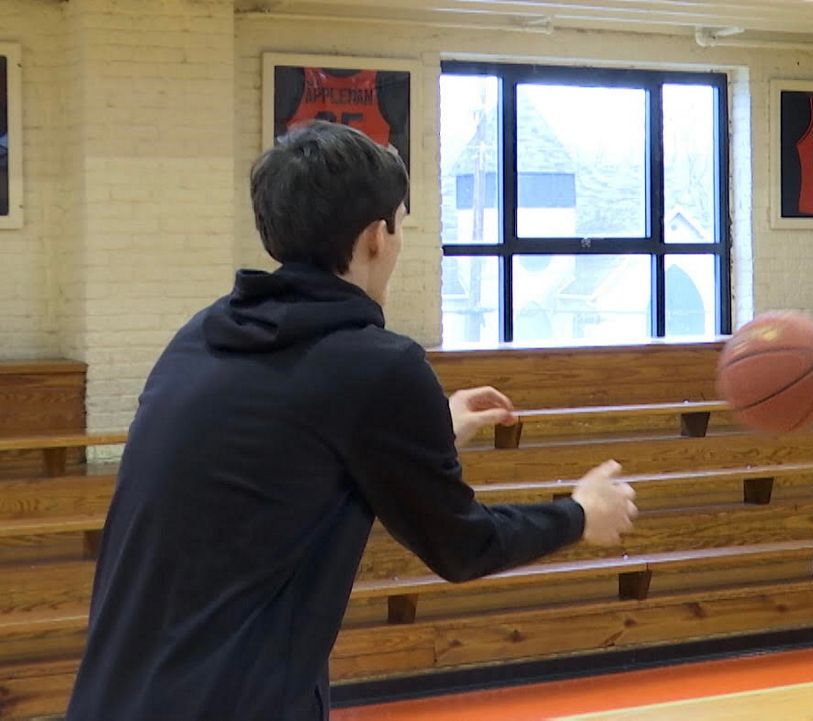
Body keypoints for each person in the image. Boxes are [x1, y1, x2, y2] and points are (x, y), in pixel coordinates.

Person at [64, 121, 638, 721]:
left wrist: (429, 427)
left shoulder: (201, 338)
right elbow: (464, 546)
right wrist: (579, 515)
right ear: (374, 236)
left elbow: (287, 445)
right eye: (401, 227)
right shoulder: (377, 366)